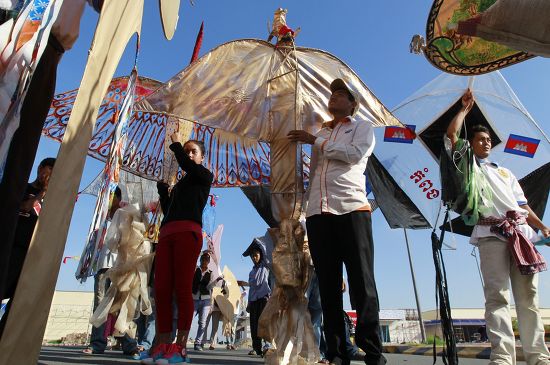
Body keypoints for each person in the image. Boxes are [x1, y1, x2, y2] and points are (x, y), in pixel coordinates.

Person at [445, 90, 550, 365]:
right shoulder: (468, 166)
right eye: (480, 139)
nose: (486, 142)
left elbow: (523, 206)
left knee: (528, 298)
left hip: (521, 235)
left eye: (489, 139)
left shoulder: (505, 172)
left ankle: (537, 356)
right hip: (491, 234)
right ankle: (503, 356)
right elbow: (452, 135)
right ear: (472, 144)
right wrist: (464, 110)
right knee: (497, 296)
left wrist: (543, 227)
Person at [287, 78, 385, 365]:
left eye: (341, 95)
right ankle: (337, 353)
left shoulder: (362, 128)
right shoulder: (321, 133)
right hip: (318, 214)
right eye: (332, 95)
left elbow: (353, 156)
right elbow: (315, 172)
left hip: (352, 209)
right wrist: (305, 207)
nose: (334, 98)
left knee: (361, 282)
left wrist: (316, 140)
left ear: (353, 104)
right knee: (328, 286)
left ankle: (373, 352)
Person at [142, 137, 213, 365]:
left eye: (193, 152)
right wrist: (164, 192)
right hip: (167, 233)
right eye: (186, 151)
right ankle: (162, 343)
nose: (189, 155)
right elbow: (169, 208)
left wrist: (176, 147)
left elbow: (188, 166)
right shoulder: (181, 184)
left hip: (187, 233)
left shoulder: (203, 176)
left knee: (182, 288)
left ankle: (180, 347)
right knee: (161, 289)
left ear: (202, 157)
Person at [0, 157, 55, 337]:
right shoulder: (25, 188)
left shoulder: (55, 200)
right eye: (46, 172)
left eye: (51, 175)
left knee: (19, 301)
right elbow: (24, 207)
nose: (47, 178)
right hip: (15, 248)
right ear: (39, 169)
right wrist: (42, 193)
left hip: (34, 254)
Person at [83, 186, 139, 357]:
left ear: (118, 199)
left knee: (123, 305)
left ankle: (129, 344)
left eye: (112, 197)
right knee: (100, 304)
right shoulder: (100, 219)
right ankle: (97, 343)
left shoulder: (126, 217)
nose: (109, 200)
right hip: (102, 267)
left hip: (121, 267)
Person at [192, 251, 221, 351]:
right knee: (189, 320)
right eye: (203, 259)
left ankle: (198, 342)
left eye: (206, 260)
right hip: (194, 298)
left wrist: (216, 281)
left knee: (202, 322)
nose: (204, 261)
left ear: (208, 262)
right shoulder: (195, 270)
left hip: (206, 300)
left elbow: (209, 287)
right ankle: (181, 341)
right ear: (200, 260)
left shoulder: (211, 273)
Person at [246, 246, 271, 356]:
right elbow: (251, 288)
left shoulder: (265, 266)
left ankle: (267, 346)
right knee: (254, 324)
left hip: (264, 298)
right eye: (252, 256)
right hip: (254, 299)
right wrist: (249, 302)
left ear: (260, 255)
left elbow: (267, 253)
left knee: (264, 323)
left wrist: (260, 245)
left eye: (256, 255)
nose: (254, 257)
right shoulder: (251, 272)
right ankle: (256, 348)